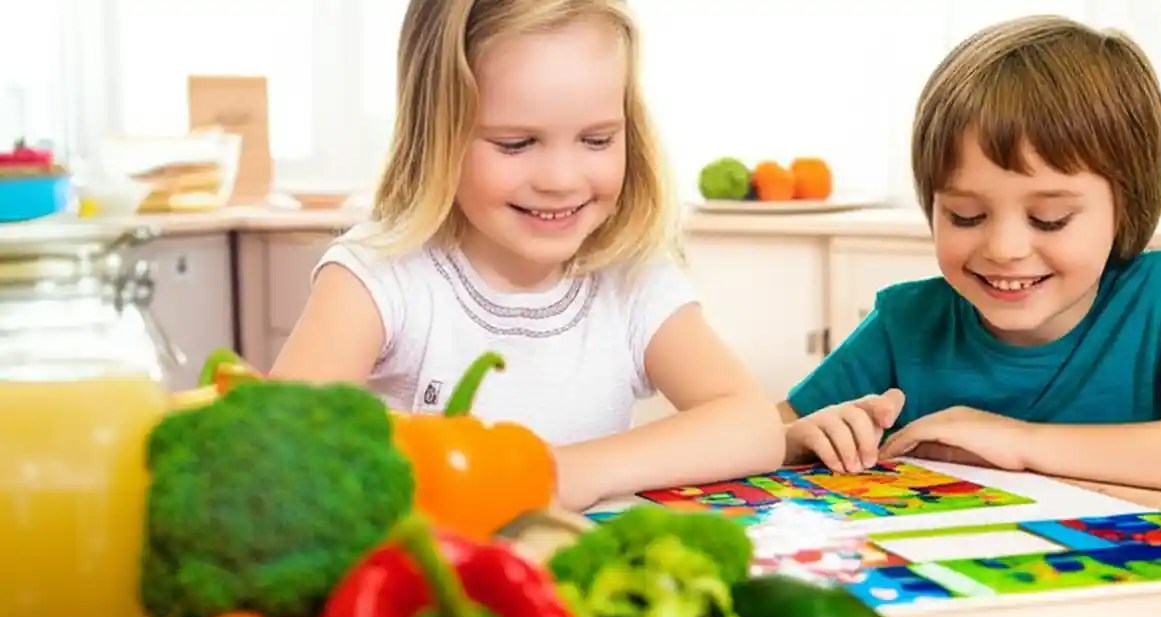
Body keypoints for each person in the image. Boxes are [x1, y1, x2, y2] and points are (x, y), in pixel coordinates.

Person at [271, 0, 784, 510]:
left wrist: (570, 472)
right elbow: (274, 447)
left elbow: (752, 423)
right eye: (515, 144)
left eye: (597, 139)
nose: (561, 180)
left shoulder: (631, 281)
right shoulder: (379, 275)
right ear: (435, 134)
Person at [780, 15, 1161, 501]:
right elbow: (756, 435)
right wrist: (797, 441)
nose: (1003, 249)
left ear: (1127, 204)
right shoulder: (905, 323)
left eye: (1050, 218)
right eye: (965, 215)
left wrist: (1024, 442)